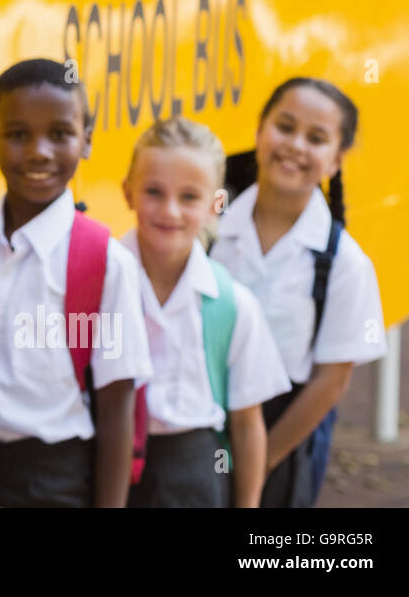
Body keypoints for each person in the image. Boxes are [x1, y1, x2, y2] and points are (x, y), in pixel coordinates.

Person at [0, 58, 152, 507]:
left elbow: (117, 408)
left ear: (86, 141)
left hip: (51, 481)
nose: (38, 152)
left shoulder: (105, 263)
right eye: (18, 134)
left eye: (60, 134)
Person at [209, 78, 386, 507]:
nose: (295, 145)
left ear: (336, 160)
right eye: (284, 127)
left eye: (317, 138)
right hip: (203, 423)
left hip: (281, 437)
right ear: (258, 130)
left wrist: (261, 460)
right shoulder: (211, 229)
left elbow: (331, 380)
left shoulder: (343, 262)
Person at [120, 117, 290, 507]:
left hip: (197, 477)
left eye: (189, 197)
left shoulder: (232, 305)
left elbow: (247, 426)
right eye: (153, 192)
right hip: (111, 468)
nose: (170, 210)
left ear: (216, 205)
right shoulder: (98, 287)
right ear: (127, 192)